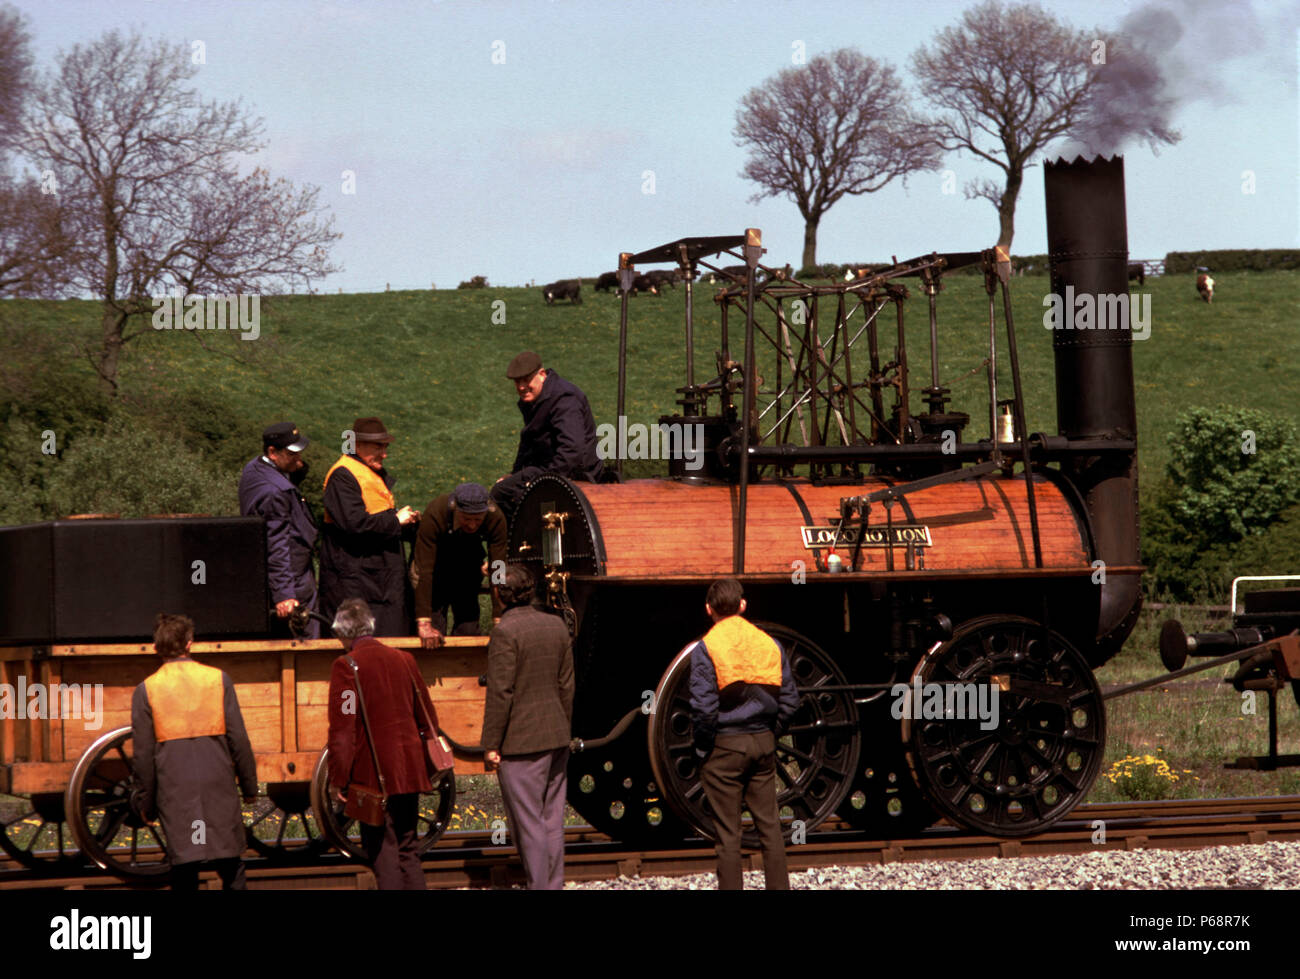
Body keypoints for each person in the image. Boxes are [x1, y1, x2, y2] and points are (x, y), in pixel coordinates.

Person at [131, 613, 258, 890]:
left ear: (156, 647)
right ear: (189, 643)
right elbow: (239, 740)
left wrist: (146, 804)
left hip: (175, 788)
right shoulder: (217, 679)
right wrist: (250, 788)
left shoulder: (146, 690)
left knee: (184, 867)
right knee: (231, 865)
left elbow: (143, 757)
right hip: (218, 782)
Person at [688, 577, 797, 890]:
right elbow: (790, 700)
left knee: (728, 836)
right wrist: (769, 734)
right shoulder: (769, 643)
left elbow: (704, 709)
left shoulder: (707, 647)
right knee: (771, 829)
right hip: (762, 742)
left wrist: (704, 748)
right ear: (743, 605)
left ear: (709, 609)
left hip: (724, 746)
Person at [326, 597, 440, 890]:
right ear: (370, 626)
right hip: (411, 769)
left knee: (382, 851)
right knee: (408, 847)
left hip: (373, 775)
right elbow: (427, 716)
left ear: (343, 633)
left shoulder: (347, 667)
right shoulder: (405, 659)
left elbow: (344, 730)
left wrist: (339, 779)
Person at [481, 565, 574, 889]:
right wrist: (564, 727)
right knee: (551, 820)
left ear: (500, 594)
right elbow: (566, 686)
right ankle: (553, 884)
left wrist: (491, 744)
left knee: (529, 823)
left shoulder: (505, 632)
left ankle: (540, 886)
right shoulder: (556, 625)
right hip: (556, 735)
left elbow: (500, 692)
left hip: (521, 743)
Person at [319, 416, 419, 636]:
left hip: (375, 579)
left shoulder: (368, 473)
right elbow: (354, 523)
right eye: (378, 447)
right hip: (357, 581)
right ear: (356, 445)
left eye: (385, 447)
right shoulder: (342, 475)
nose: (384, 454)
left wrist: (407, 523)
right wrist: (395, 521)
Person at [490, 351, 603, 525]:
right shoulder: (535, 400)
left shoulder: (564, 399)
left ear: (542, 375)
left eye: (526, 380)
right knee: (503, 489)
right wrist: (514, 475)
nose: (521, 387)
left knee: (501, 494)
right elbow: (528, 441)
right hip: (547, 467)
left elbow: (572, 450)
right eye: (517, 382)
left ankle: (522, 544)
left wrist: (542, 482)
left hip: (576, 472)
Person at [238, 421, 320, 638]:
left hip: (286, 573)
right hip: (293, 576)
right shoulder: (275, 493)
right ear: (273, 453)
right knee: (305, 640)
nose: (299, 459)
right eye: (292, 454)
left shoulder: (255, 468)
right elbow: (277, 544)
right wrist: (285, 594)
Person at [412, 481, 508, 648]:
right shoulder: (436, 512)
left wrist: (500, 618)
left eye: (478, 519)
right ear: (455, 509)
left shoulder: (495, 517)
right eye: (466, 518)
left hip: (468, 566)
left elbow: (498, 569)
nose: (472, 525)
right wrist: (424, 623)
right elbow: (424, 570)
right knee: (433, 630)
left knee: (469, 629)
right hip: (435, 568)